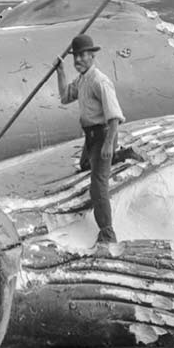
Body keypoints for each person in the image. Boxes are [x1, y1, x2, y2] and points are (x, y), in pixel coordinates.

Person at [55, 33, 128, 245]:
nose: (77, 60)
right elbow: (65, 97)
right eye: (75, 56)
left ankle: (107, 234)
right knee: (84, 165)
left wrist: (108, 144)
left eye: (82, 55)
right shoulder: (82, 80)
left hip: (104, 134)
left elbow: (115, 116)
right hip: (90, 137)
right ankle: (115, 155)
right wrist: (60, 72)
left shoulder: (100, 82)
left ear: (92, 56)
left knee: (97, 187)